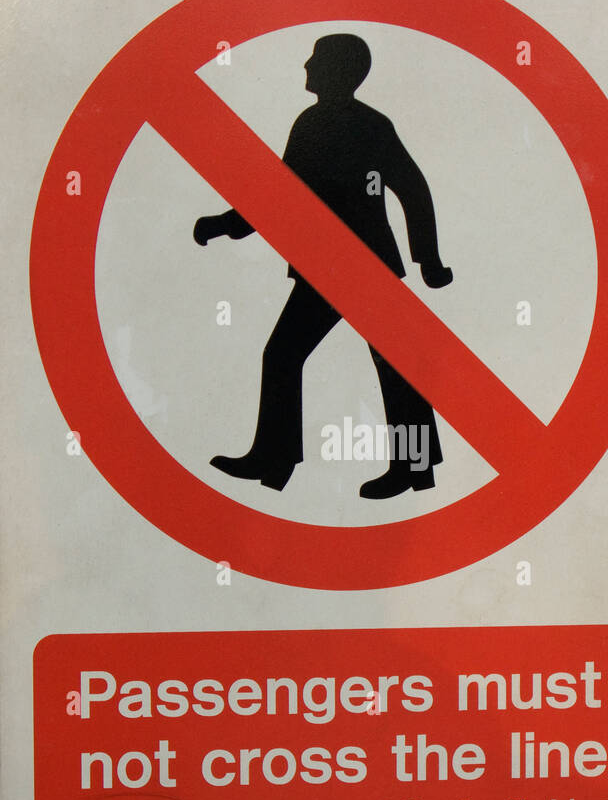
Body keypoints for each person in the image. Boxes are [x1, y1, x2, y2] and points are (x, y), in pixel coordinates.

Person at [194, 32, 453, 499]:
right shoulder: (339, 123)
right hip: (340, 263)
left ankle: (285, 459)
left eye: (315, 58)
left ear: (336, 69)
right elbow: (282, 193)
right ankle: (288, 459)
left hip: (352, 265)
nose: (305, 65)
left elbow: (409, 188)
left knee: (351, 362)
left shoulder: (331, 124)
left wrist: (429, 259)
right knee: (377, 364)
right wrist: (227, 224)